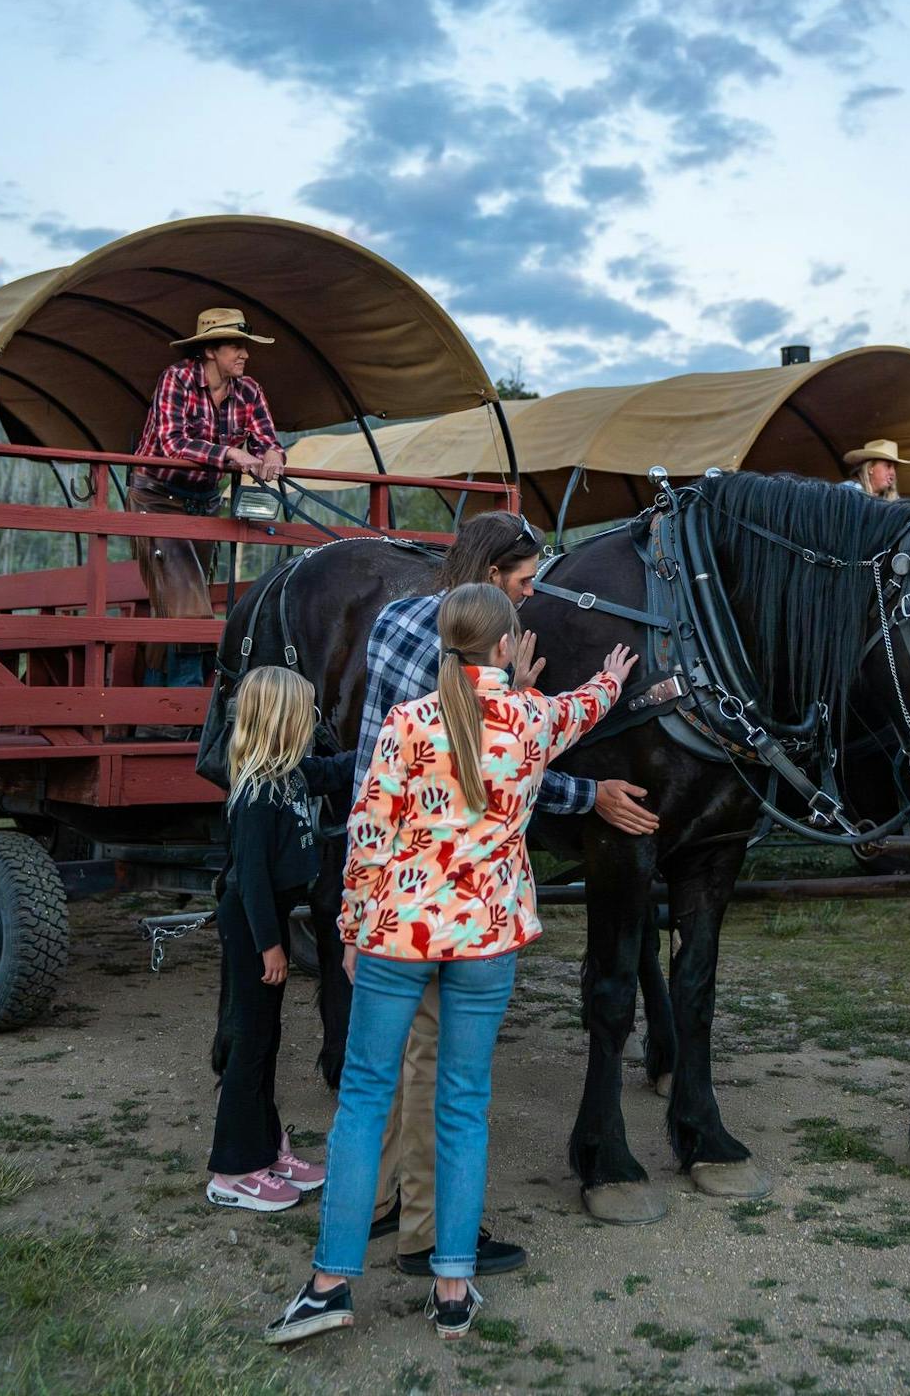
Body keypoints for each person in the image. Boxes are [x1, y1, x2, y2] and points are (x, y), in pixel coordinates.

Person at [264, 583, 637, 1346]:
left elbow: (368, 837)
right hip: (487, 942)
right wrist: (614, 676)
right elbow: (585, 707)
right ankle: (454, 1289)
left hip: (397, 937)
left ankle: (329, 1285)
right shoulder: (532, 719)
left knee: (363, 1104)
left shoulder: (406, 724)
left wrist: (352, 931)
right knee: (463, 1107)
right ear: (504, 647)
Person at [354, 510, 658, 1281]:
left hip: (391, 898)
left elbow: (423, 772)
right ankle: (430, 1239)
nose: (530, 595)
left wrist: (354, 919)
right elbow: (493, 768)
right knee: (441, 1075)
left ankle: (373, 1212)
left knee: (383, 1071)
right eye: (523, 583)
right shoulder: (510, 706)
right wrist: (586, 780)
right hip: (465, 917)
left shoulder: (396, 626)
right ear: (493, 581)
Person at [205, 665, 356, 1213]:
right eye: (306, 713)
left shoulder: (291, 773)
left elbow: (336, 770)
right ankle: (233, 1169)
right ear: (283, 721)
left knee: (266, 1038)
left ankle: (266, 1148)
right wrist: (270, 945)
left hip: (265, 920)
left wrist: (392, 737)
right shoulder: (256, 795)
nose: (314, 722)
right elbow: (248, 881)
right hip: (252, 925)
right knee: (249, 1042)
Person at [130, 307, 284, 693]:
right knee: (188, 598)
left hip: (204, 500)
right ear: (210, 351)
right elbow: (173, 443)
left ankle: (154, 704)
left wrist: (272, 456)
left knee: (180, 599)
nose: (244, 354)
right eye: (235, 346)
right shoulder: (177, 379)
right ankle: (190, 697)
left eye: (245, 346)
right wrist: (231, 453)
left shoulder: (248, 390)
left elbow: (267, 440)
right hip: (158, 497)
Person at [839, 437, 910, 502]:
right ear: (870, 468)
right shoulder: (847, 491)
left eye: (894, 468)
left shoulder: (893, 499)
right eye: (888, 466)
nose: (893, 473)